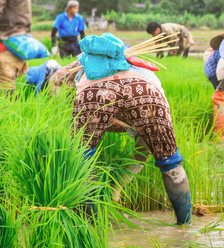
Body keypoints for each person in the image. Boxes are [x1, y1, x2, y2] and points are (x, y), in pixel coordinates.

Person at [69, 34, 192, 225]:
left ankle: (91, 228)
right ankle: (185, 226)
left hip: (95, 94)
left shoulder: (84, 64)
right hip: (146, 94)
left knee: (82, 158)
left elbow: (71, 98)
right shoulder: (140, 68)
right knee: (170, 162)